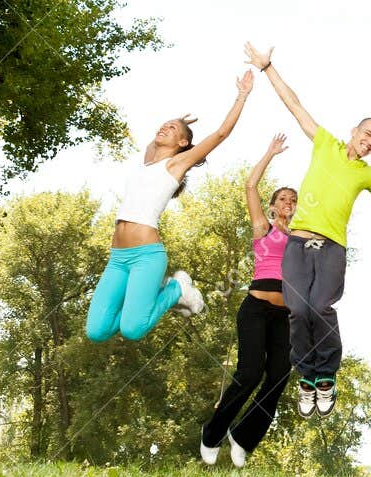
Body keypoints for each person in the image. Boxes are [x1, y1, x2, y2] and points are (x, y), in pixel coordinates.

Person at [243, 42, 371, 418]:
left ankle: (326, 377)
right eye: (367, 133)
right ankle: (307, 377)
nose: (370, 142)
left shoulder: (366, 174)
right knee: (299, 309)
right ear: (354, 130)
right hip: (298, 243)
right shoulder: (325, 144)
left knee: (321, 306)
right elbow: (295, 105)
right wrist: (268, 67)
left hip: (333, 246)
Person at [85, 71, 254, 342]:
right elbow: (153, 144)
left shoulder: (176, 165)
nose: (164, 128)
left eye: (172, 129)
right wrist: (176, 120)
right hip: (117, 259)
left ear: (183, 144)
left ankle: (176, 289)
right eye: (163, 125)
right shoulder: (147, 162)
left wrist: (242, 95)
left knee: (132, 329)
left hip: (146, 256)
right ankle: (154, 294)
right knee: (96, 331)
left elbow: (222, 133)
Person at [200, 134, 297, 467]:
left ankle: (243, 437)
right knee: (250, 372)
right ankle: (212, 433)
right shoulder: (263, 227)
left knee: (280, 375)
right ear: (272, 206)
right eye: (283, 198)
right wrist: (270, 152)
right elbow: (251, 186)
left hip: (284, 315)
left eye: (293, 200)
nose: (288, 203)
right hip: (256, 309)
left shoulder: (302, 237)